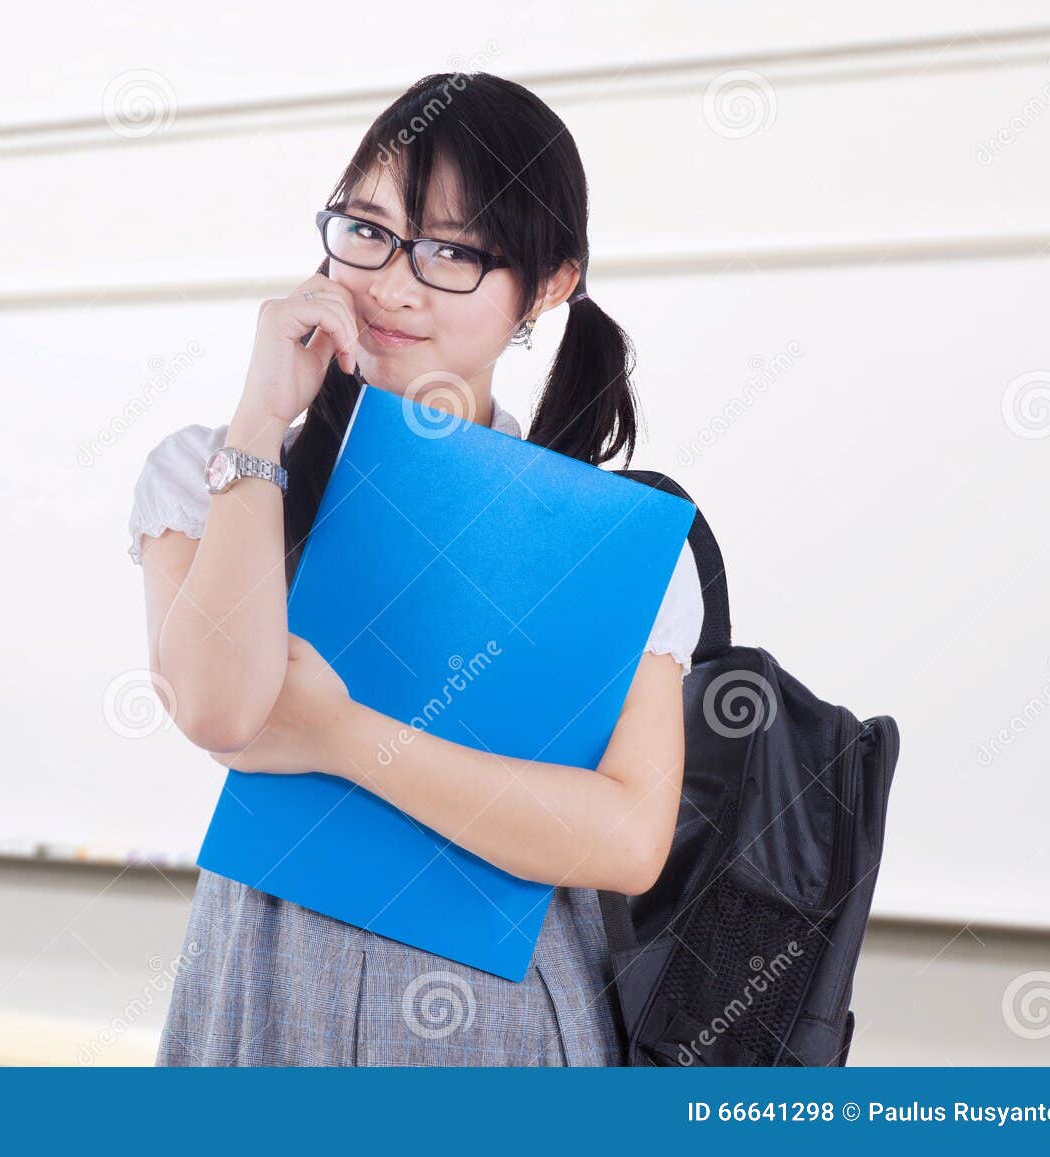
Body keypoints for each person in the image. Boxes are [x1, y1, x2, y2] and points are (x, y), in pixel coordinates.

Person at [126, 72, 703, 1066]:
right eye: (368, 230)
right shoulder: (210, 474)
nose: (391, 285)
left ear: (550, 283)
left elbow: (624, 836)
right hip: (262, 991)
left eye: (450, 251)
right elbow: (217, 709)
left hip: (500, 1019)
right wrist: (261, 416)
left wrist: (339, 733)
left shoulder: (606, 535)